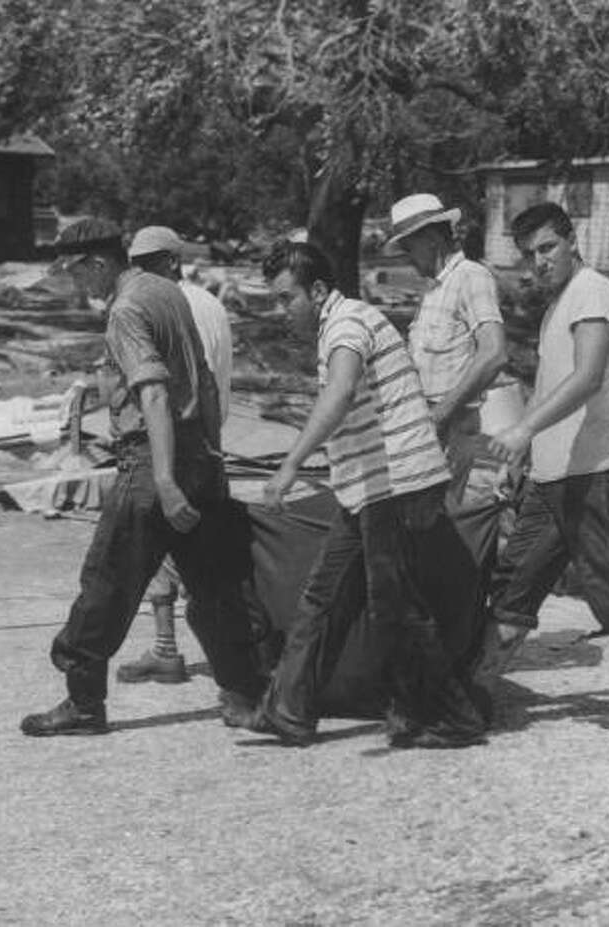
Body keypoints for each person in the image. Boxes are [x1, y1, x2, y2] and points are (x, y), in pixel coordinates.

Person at [20, 218, 262, 736]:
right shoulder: (166, 291)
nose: (77, 284)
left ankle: (84, 704)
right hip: (197, 457)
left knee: (105, 585)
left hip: (152, 466)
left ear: (98, 263)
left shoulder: (126, 310)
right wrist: (212, 457)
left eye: (77, 272)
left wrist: (167, 481)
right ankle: (244, 695)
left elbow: (153, 393)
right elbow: (204, 381)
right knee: (214, 587)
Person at [248, 241, 487, 749]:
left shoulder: (348, 322)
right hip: (367, 487)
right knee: (323, 598)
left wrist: (290, 465)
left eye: (287, 298)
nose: (281, 310)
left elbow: (340, 392)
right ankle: (288, 711)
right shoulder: (338, 325)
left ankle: (452, 717)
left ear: (317, 291)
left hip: (397, 484)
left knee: (395, 609)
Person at [479, 202, 609, 731]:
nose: (540, 262)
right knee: (515, 581)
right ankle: (473, 696)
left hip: (596, 469)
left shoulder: (593, 292)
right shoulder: (559, 305)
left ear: (572, 241)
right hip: (554, 475)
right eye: (530, 254)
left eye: (548, 248)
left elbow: (588, 377)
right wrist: (524, 450)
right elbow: (549, 388)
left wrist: (522, 431)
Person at [114, 226, 234, 687]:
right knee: (202, 556)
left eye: (146, 265)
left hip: (174, 444)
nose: (140, 275)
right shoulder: (209, 303)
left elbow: (173, 388)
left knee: (166, 552)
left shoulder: (160, 305)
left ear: (169, 262)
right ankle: (230, 663)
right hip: (206, 441)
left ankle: (177, 650)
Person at [385, 193, 507, 504]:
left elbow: (494, 353)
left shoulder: (471, 277)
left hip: (452, 428)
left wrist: (440, 414)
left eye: (409, 248)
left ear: (431, 239)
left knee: (443, 514)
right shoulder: (435, 288)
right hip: (428, 428)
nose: (408, 259)